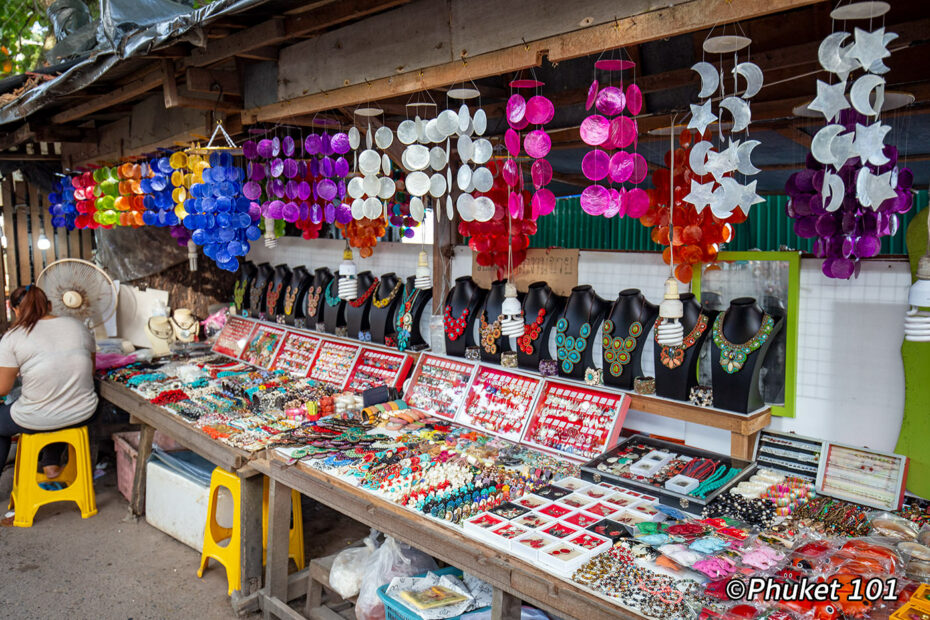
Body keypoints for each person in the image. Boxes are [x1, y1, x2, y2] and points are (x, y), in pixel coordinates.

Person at [0, 285, 97, 479]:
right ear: (50, 305)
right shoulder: (77, 326)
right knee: (58, 396)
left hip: (42, 417)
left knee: (34, 409)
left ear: (16, 310)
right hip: (84, 413)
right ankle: (51, 463)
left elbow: (3, 388)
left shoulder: (13, 338)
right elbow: (91, 370)